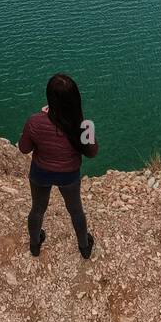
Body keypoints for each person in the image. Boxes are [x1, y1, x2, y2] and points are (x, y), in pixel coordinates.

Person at [18, 73, 98, 258]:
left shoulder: (34, 121)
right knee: (76, 211)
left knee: (37, 208)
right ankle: (84, 247)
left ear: (49, 99)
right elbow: (92, 153)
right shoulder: (84, 125)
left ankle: (35, 244)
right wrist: (86, 127)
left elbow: (24, 149)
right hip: (68, 175)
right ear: (75, 99)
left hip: (40, 173)